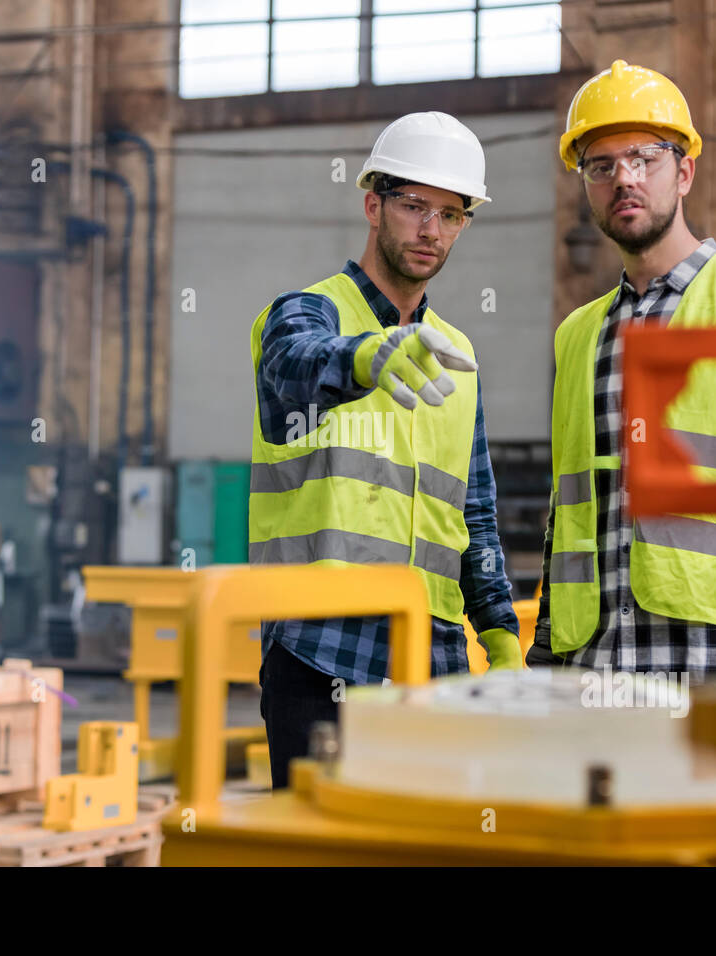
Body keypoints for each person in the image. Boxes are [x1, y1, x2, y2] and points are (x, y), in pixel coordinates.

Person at [528, 60, 716, 679]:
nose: (624, 178)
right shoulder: (578, 335)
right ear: (584, 183)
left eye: (644, 157)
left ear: (685, 170)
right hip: (597, 677)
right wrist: (545, 658)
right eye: (601, 165)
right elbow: (570, 516)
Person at [250, 111, 521, 789]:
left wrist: (500, 635)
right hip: (321, 653)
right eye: (413, 206)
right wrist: (369, 355)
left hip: (431, 659)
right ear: (373, 205)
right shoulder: (309, 311)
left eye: (452, 214)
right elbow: (291, 363)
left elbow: (475, 515)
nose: (431, 230)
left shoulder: (456, 357)